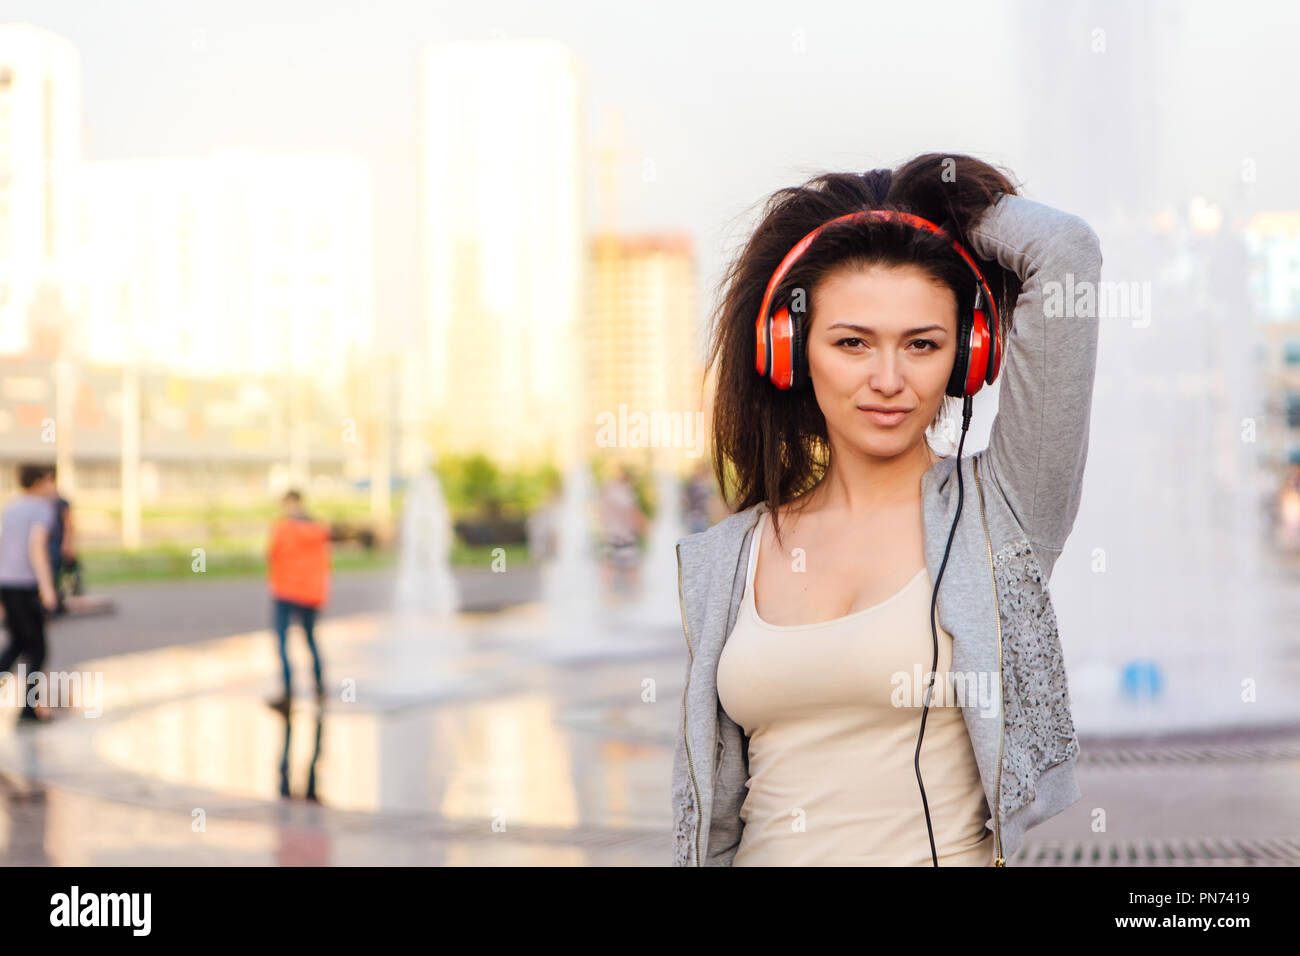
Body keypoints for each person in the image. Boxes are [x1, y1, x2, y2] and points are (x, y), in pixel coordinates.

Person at [671, 155, 1103, 867]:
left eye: (923, 345)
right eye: (852, 343)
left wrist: (923, 201)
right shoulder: (731, 556)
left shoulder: (1001, 516)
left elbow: (1065, 252)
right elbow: (712, 826)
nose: (888, 381)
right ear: (790, 350)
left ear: (969, 357)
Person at [0, 464, 60, 723]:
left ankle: (29, 705)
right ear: (40, 481)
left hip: (6, 583)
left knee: (17, 643)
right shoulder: (41, 509)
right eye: (50, 480)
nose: (54, 486)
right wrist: (47, 588)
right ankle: (29, 707)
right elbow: (37, 547)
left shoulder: (10, 508)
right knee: (37, 648)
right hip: (26, 586)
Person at [266, 489, 330, 712]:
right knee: (311, 641)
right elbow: (323, 563)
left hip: (286, 591)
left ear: (288, 504)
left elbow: (272, 555)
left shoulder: (283, 528)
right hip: (311, 594)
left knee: (283, 642)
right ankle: (320, 690)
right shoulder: (318, 529)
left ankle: (287, 693)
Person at [598, 464, 647, 597]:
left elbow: (602, 511)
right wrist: (644, 527)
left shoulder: (609, 490)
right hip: (624, 535)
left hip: (611, 533)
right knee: (631, 566)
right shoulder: (625, 492)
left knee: (610, 564)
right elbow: (632, 513)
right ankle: (639, 593)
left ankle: (605, 594)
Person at [45, 470, 75, 616]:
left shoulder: (61, 502)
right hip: (45, 543)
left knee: (55, 574)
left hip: (57, 543)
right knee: (47, 573)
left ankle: (55, 604)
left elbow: (69, 524)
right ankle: (51, 603)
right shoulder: (43, 501)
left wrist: (67, 543)